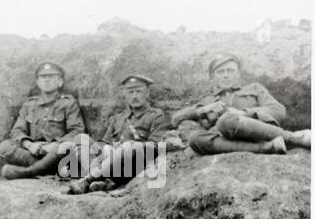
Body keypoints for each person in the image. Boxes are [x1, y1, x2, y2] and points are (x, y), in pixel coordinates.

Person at [171, 55, 310, 155]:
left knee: (227, 120)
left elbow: (279, 111)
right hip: (227, 140)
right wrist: (203, 110)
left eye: (230, 71)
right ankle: (266, 148)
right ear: (213, 77)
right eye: (220, 72)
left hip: (258, 131)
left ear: (238, 74)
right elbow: (175, 119)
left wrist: (244, 113)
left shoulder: (255, 88)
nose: (226, 75)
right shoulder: (208, 100)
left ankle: (295, 138)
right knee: (195, 138)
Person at [65, 75, 174, 194]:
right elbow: (104, 143)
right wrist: (106, 148)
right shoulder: (119, 117)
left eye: (138, 91)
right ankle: (103, 181)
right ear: (124, 94)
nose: (134, 96)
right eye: (130, 92)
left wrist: (126, 147)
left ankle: (87, 181)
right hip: (110, 164)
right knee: (81, 138)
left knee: (128, 148)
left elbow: (155, 147)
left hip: (134, 165)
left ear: (147, 93)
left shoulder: (157, 116)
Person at [0, 63, 85, 179]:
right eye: (43, 77)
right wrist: (29, 145)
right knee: (5, 146)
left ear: (60, 82)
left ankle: (27, 172)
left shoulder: (68, 103)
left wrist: (55, 145)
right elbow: (17, 131)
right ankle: (49, 170)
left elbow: (77, 131)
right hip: (33, 152)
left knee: (67, 147)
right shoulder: (29, 105)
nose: (46, 80)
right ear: (38, 82)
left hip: (56, 152)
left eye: (51, 77)